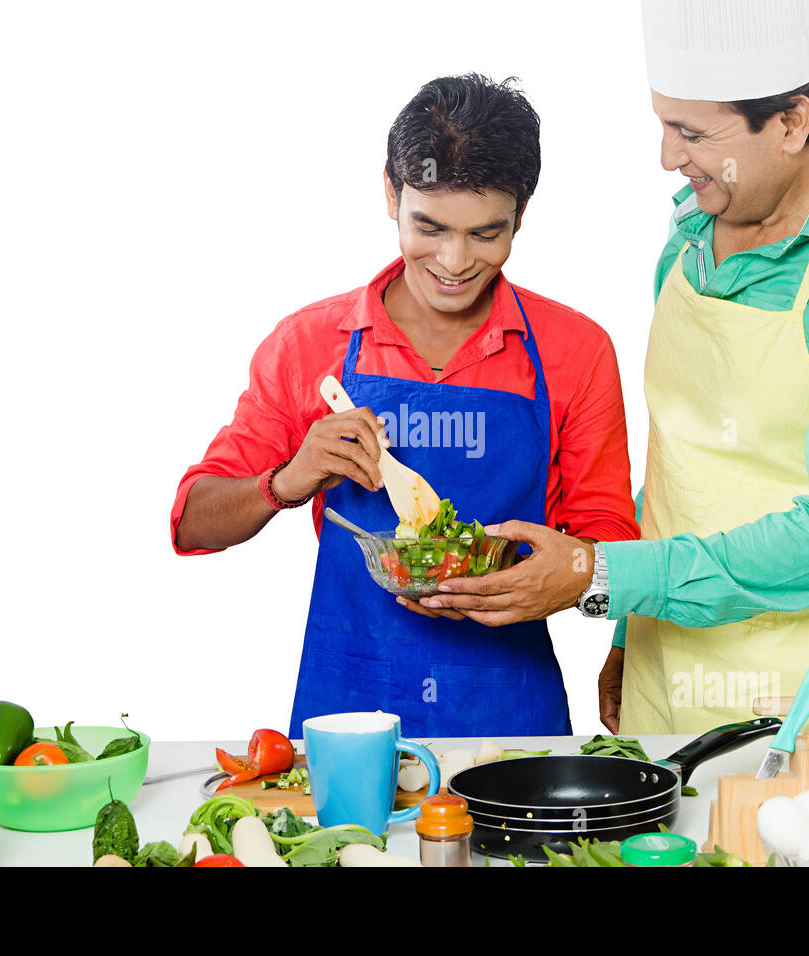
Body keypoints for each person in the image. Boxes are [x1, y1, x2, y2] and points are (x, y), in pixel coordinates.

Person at [426, 0, 809, 734]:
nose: (666, 157)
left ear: (790, 123)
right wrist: (626, 626)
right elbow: (682, 462)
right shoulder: (690, 234)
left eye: (691, 133)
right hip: (667, 662)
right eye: (662, 123)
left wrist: (605, 576)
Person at [171, 74, 638, 738]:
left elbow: (612, 552)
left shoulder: (576, 350)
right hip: (350, 711)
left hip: (510, 710)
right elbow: (194, 521)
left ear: (522, 214)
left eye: (486, 233)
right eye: (429, 226)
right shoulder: (310, 343)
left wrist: (547, 578)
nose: (453, 261)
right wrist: (288, 480)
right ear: (391, 192)